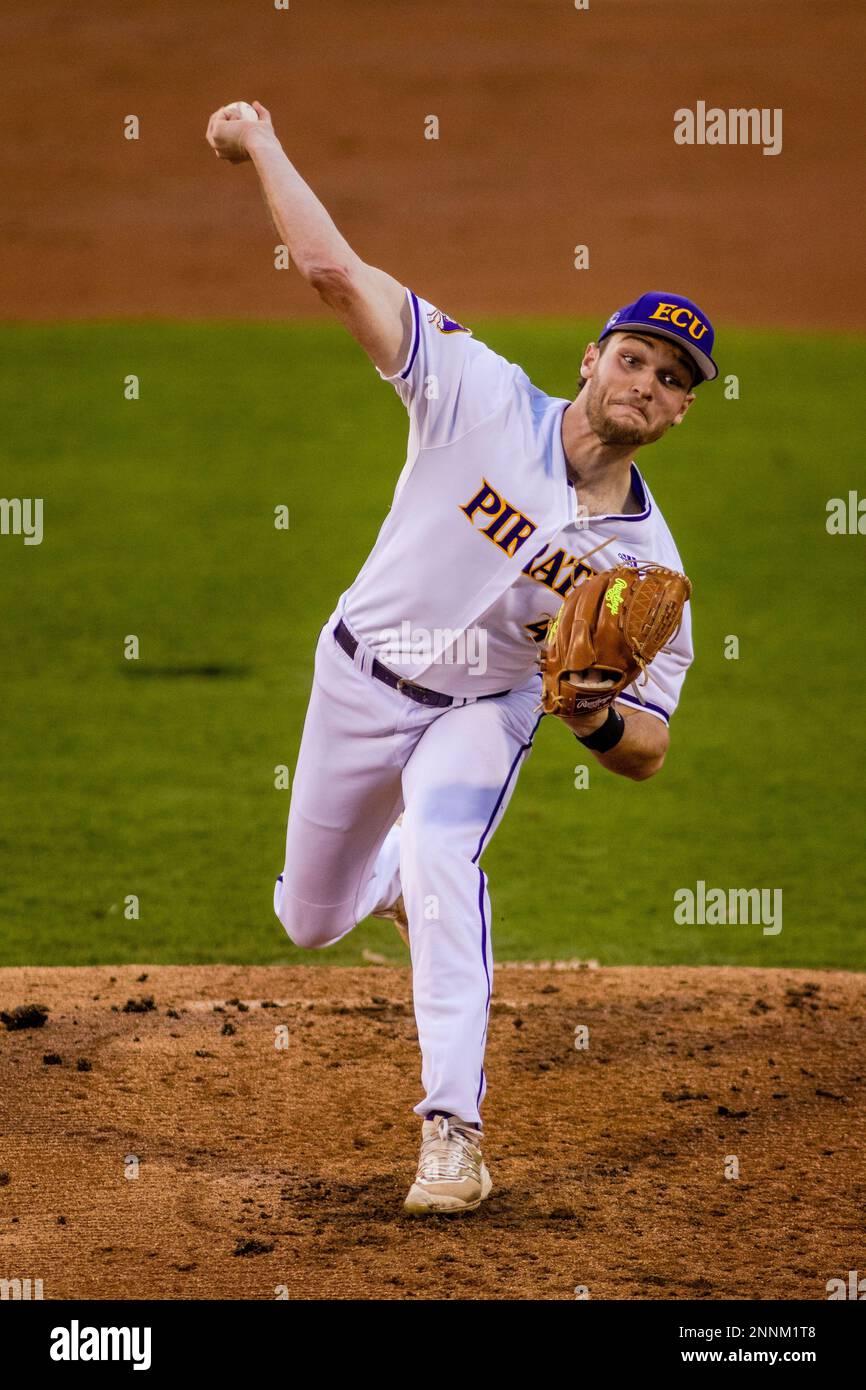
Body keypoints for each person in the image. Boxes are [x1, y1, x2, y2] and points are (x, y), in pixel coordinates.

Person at [206, 100, 717, 1215]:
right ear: (590, 359)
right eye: (632, 355)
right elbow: (336, 273)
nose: (645, 381)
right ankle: (379, 883)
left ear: (681, 411)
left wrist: (585, 715)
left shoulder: (652, 577)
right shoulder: (472, 392)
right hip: (354, 674)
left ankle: (452, 1130)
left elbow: (650, 750)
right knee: (308, 919)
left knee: (447, 849)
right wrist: (261, 141)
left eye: (671, 377)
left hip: (480, 713)